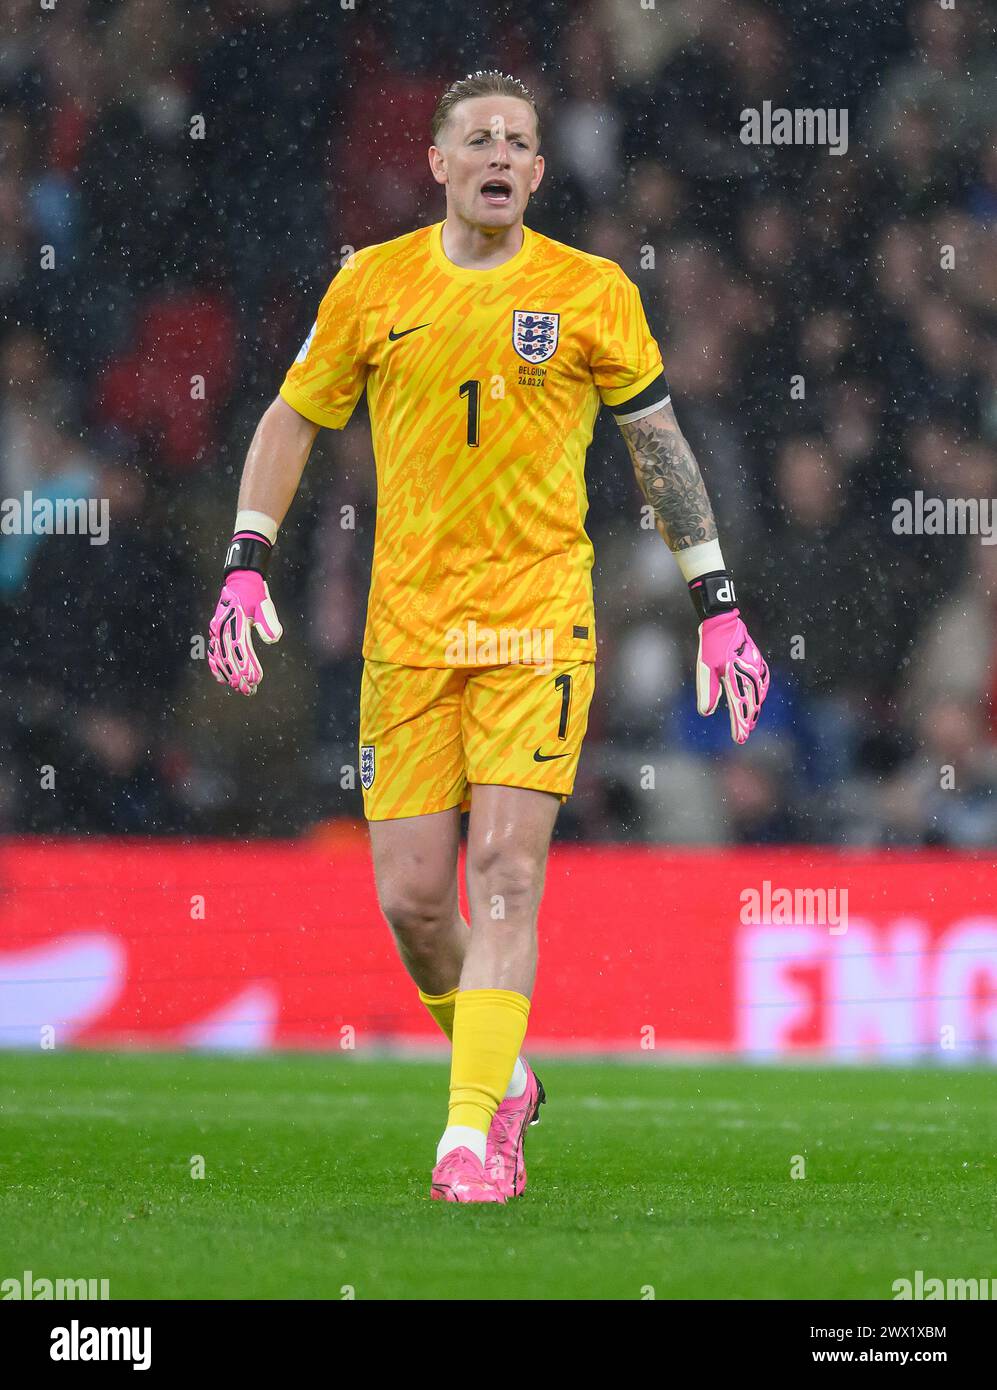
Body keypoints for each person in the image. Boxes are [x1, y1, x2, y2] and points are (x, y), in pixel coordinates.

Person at [207, 72, 770, 1203]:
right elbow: (291, 415)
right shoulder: (372, 284)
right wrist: (244, 558)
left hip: (536, 624)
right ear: (438, 162)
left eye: (519, 138)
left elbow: (658, 446)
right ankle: (503, 1075)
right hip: (406, 632)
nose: (500, 152)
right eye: (479, 138)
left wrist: (717, 601)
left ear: (540, 171)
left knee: (506, 873)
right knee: (416, 904)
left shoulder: (591, 290)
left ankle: (469, 1139)